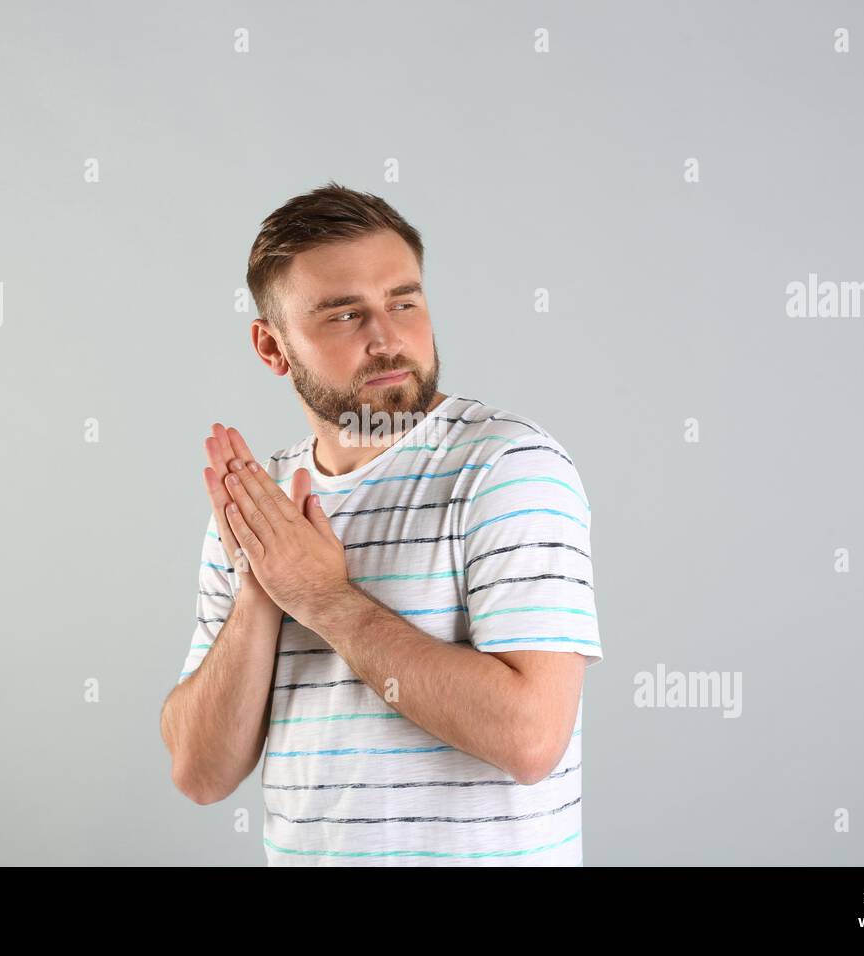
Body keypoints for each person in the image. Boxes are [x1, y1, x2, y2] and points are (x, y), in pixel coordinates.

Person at [160, 181, 602, 865]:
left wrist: (323, 599)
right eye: (343, 316)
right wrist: (261, 591)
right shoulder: (260, 504)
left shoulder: (508, 466)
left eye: (405, 301)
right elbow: (200, 773)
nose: (387, 339)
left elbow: (531, 738)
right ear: (272, 348)